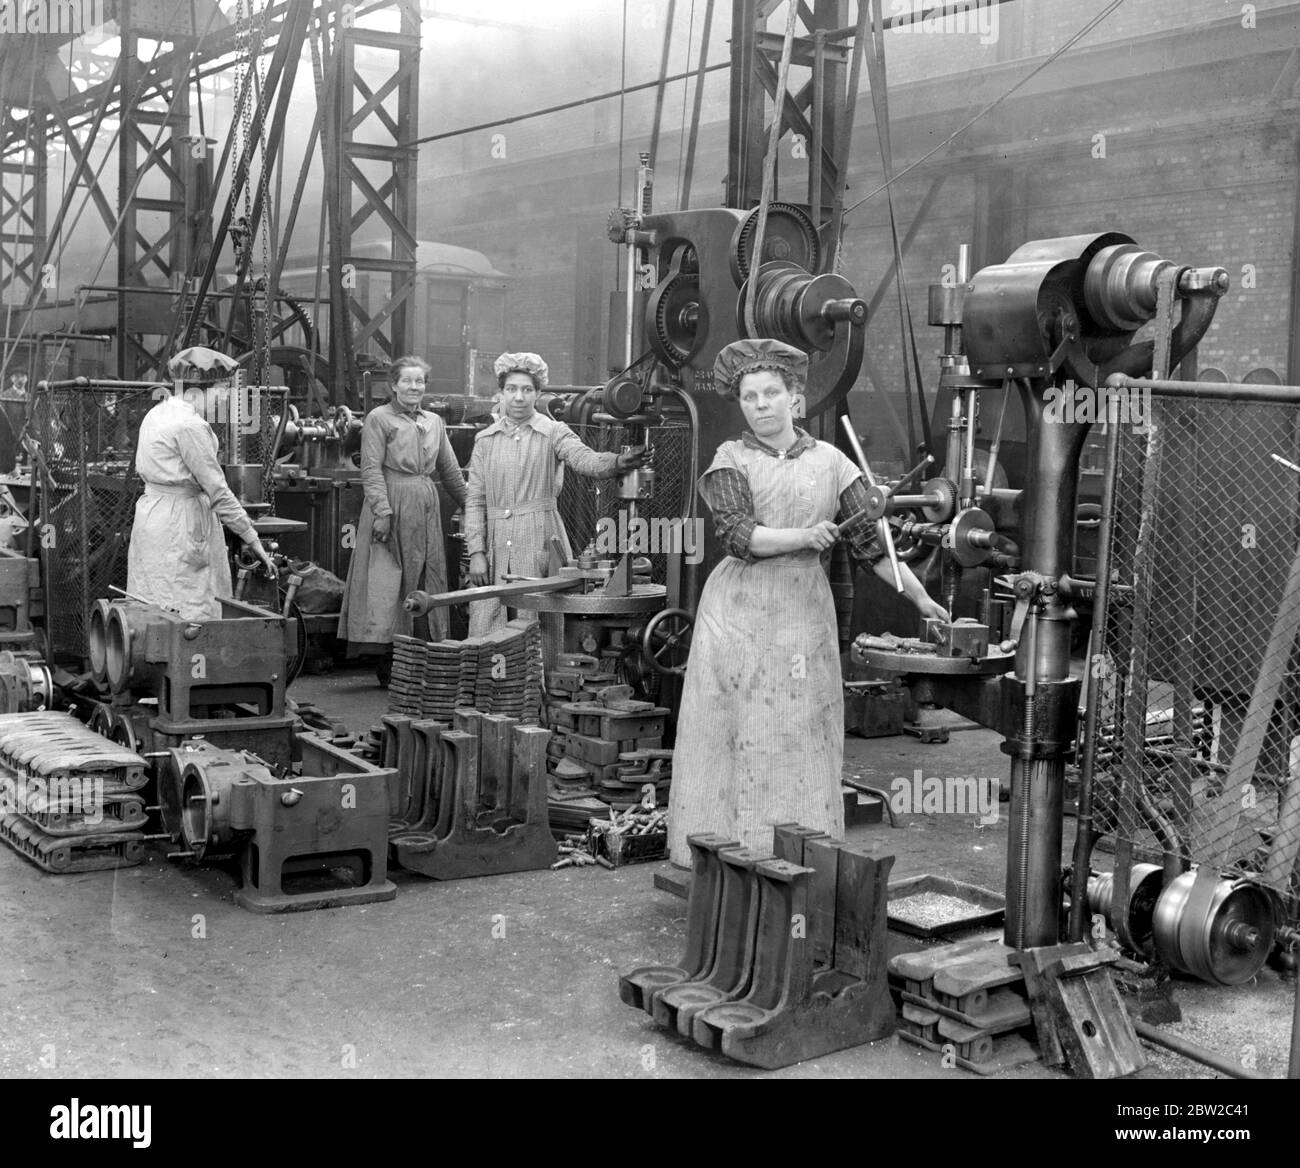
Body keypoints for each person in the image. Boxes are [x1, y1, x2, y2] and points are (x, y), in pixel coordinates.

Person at [667, 339, 948, 865]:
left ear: (796, 398)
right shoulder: (730, 458)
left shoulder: (833, 462)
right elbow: (738, 536)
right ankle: (725, 852)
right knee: (734, 727)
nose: (761, 405)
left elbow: (873, 548)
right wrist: (806, 536)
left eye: (772, 393)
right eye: (750, 397)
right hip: (739, 611)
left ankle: (800, 850)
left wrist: (921, 597)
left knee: (799, 727)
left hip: (803, 613)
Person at [463, 352, 650, 635]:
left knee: (539, 623)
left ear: (538, 393)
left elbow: (583, 458)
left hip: (540, 538)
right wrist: (477, 551)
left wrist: (615, 462)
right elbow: (475, 500)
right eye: (511, 389)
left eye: (527, 390)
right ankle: (497, 681)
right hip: (495, 543)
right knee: (489, 620)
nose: (518, 397)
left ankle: (540, 681)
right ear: (500, 393)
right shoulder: (485, 441)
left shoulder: (553, 432)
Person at [340, 355, 467, 680]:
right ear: (394, 385)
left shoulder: (434, 422)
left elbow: (449, 469)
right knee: (389, 581)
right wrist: (382, 512)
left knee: (426, 577)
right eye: (407, 381)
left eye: (420, 381)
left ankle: (423, 657)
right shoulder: (378, 419)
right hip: (391, 507)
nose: (414, 387)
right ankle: (392, 662)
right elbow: (370, 468)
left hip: (425, 508)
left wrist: (470, 504)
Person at [127, 347, 276, 621]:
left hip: (153, 515)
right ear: (202, 389)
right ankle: (190, 660)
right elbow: (218, 491)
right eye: (221, 390)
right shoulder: (189, 426)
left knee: (154, 603)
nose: (223, 398)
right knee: (187, 609)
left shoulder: (157, 414)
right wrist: (253, 539)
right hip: (180, 521)